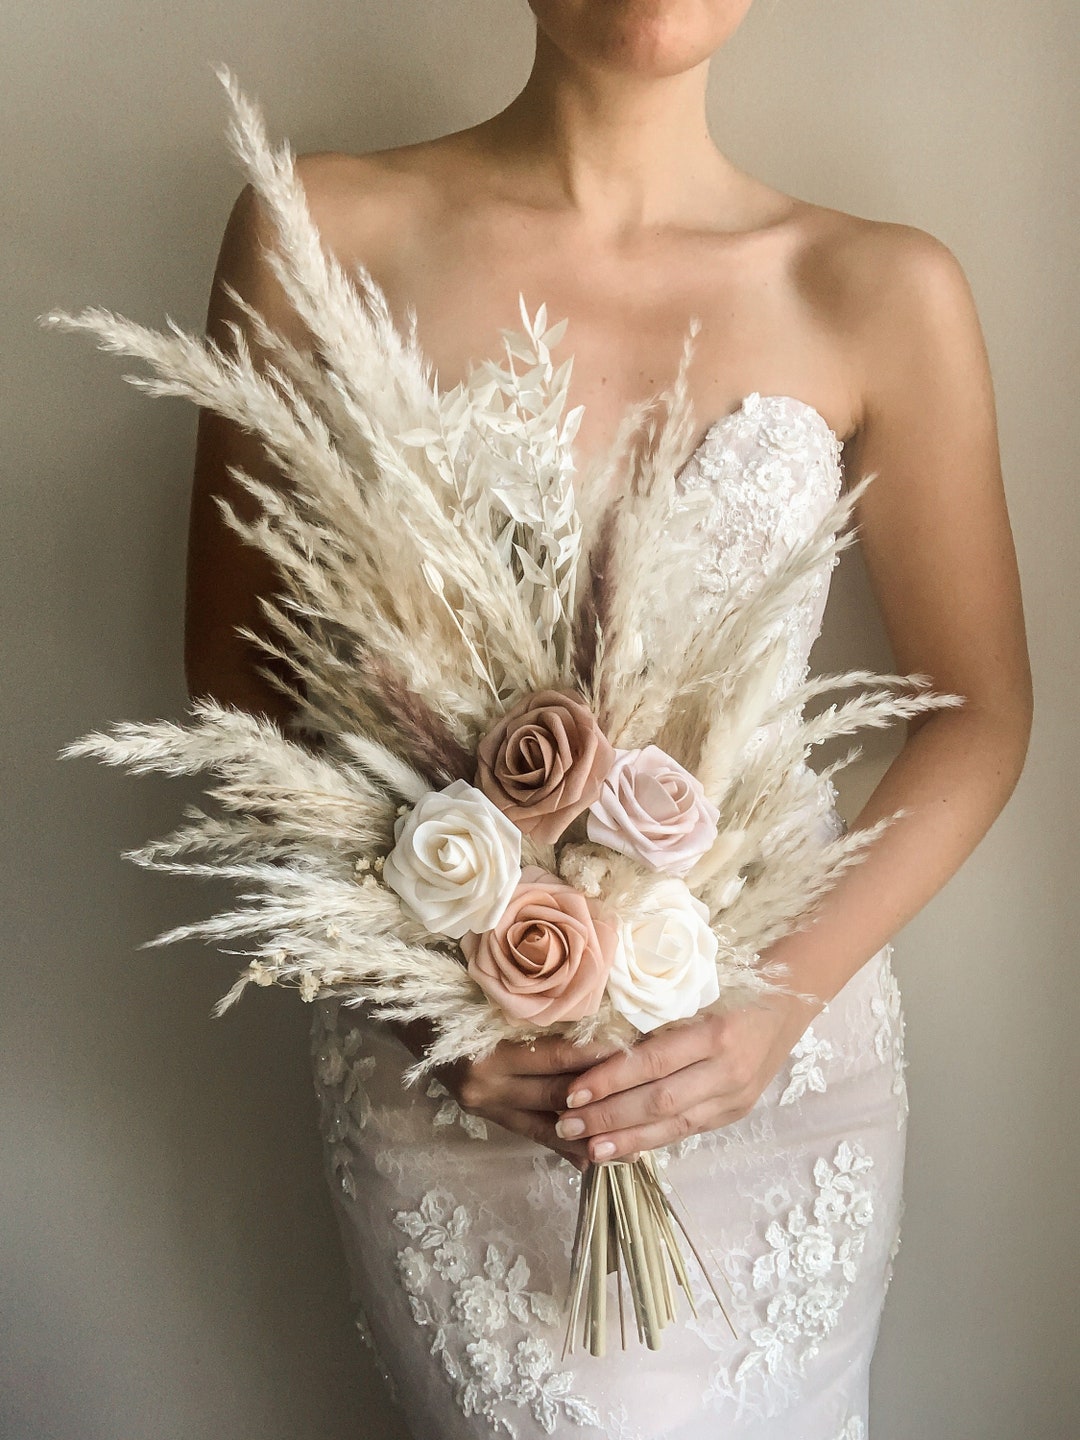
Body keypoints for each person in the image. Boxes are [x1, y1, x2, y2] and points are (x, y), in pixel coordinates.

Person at [185, 5, 1032, 1436]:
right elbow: (233, 681)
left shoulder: (882, 288)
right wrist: (426, 1006)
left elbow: (981, 714)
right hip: (451, 1081)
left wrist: (778, 1005)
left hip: (776, 1069)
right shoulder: (317, 227)